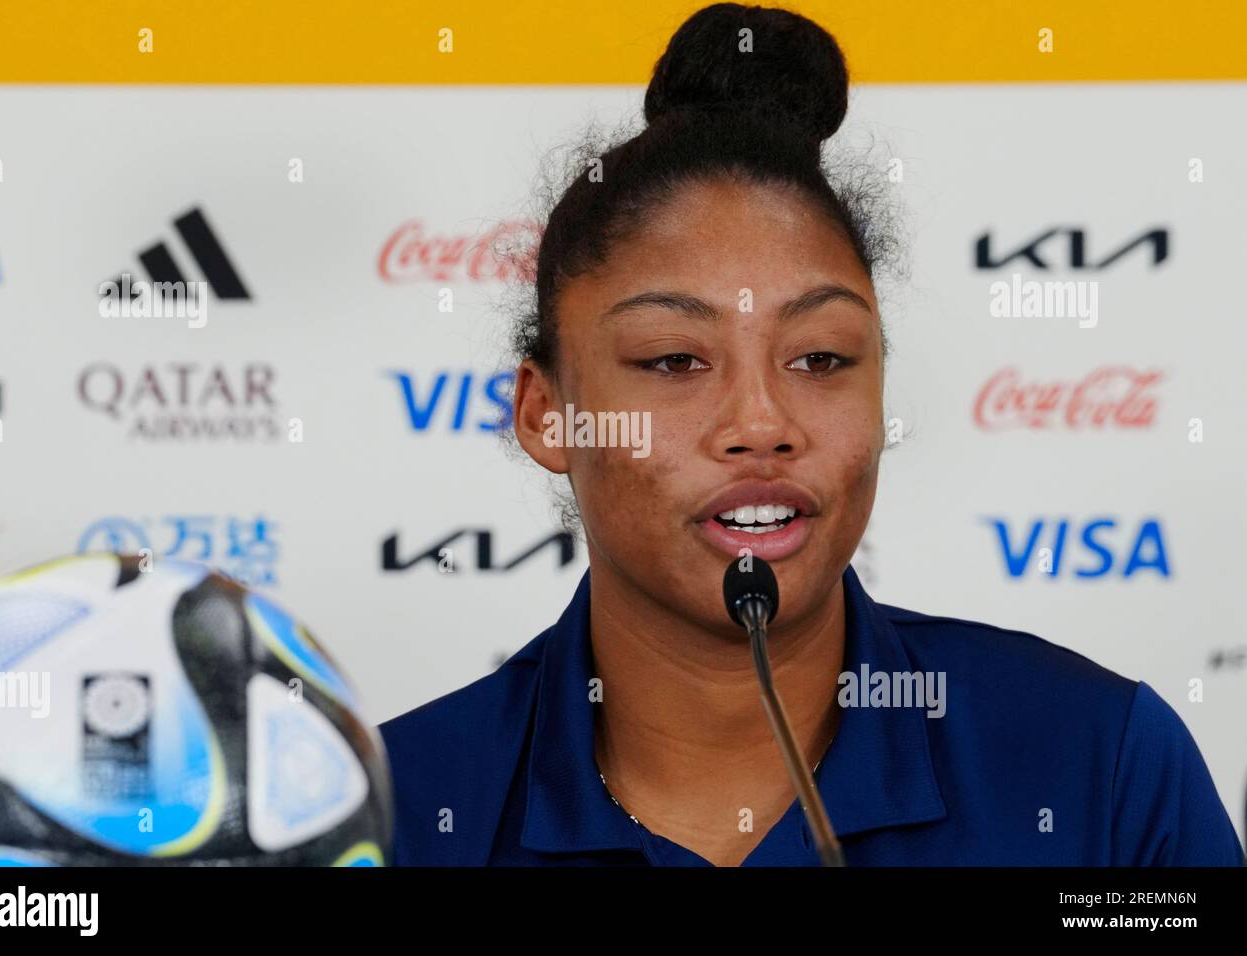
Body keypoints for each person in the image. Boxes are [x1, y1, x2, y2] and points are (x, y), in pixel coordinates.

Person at [378, 2, 1244, 866]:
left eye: (822, 358)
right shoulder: (395, 814)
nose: (763, 425)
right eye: (677, 360)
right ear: (546, 414)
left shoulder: (1098, 766)